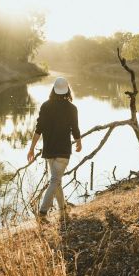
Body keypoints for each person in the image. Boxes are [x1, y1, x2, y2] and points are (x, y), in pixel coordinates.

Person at [27, 77, 82, 221]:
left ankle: (63, 209)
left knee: (56, 180)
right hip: (63, 150)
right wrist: (79, 142)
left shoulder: (45, 106)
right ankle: (43, 213)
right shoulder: (72, 108)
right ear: (67, 90)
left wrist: (32, 148)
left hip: (49, 150)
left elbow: (39, 129)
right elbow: (75, 128)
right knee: (55, 180)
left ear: (53, 89)